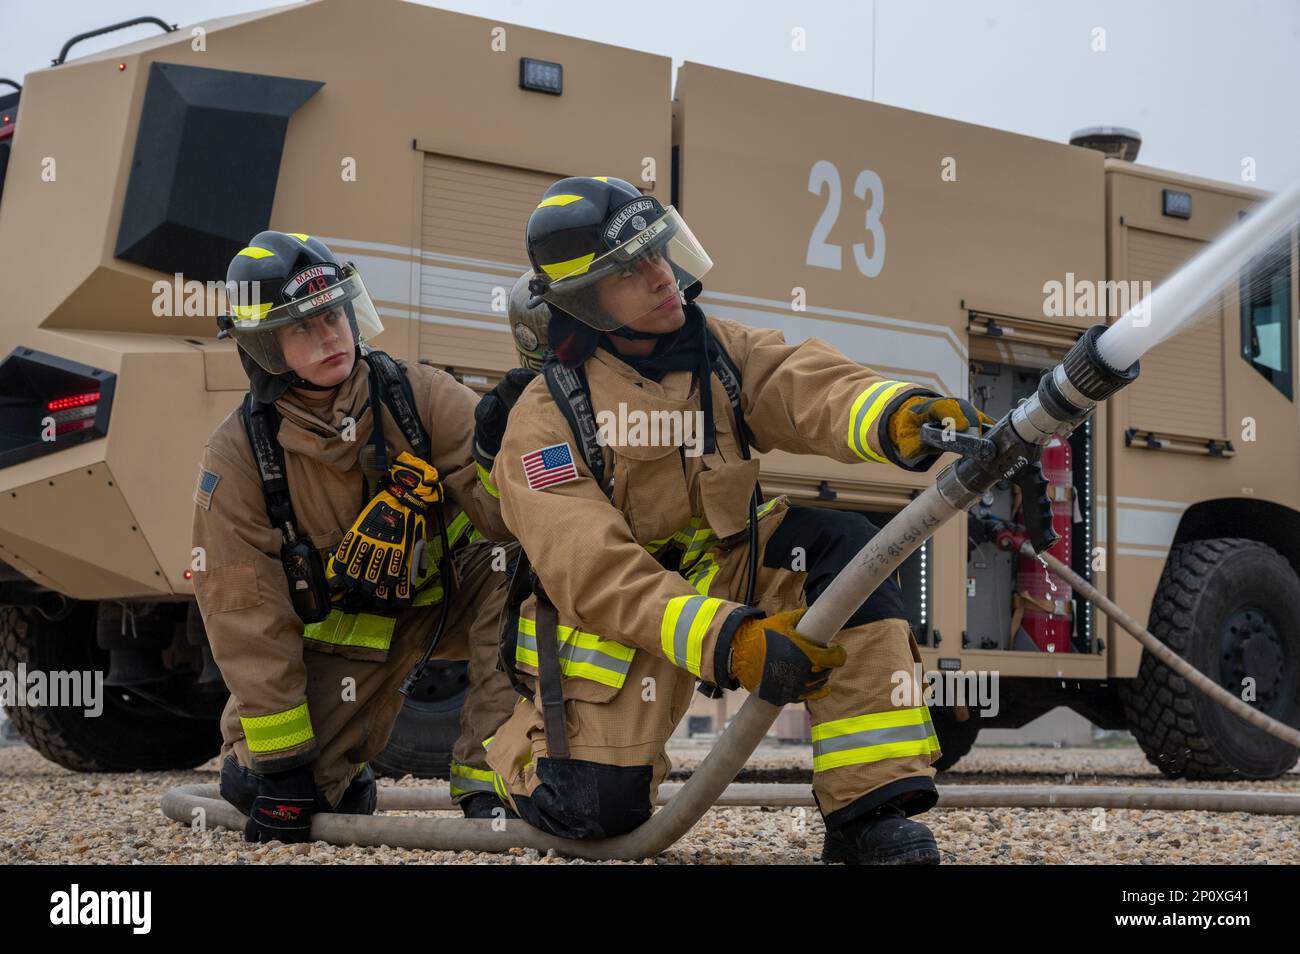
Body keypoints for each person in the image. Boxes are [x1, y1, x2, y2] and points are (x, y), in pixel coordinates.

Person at [473, 177, 993, 864]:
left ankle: (871, 812)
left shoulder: (718, 353)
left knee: (845, 551)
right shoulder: (544, 420)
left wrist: (901, 414)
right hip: (618, 626)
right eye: (632, 270)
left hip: (730, 570)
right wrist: (734, 643)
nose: (662, 278)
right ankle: (516, 763)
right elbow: (592, 570)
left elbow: (807, 386)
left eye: (660, 252)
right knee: (595, 810)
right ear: (587, 301)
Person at [192, 230, 517, 842]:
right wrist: (285, 771)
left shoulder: (417, 397)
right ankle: (332, 776)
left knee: (523, 559)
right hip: (333, 645)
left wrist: (502, 451)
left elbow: (509, 517)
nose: (332, 335)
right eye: (303, 327)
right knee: (263, 786)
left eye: (335, 313)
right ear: (264, 347)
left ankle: (492, 778)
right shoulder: (238, 458)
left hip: (436, 606)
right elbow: (246, 618)